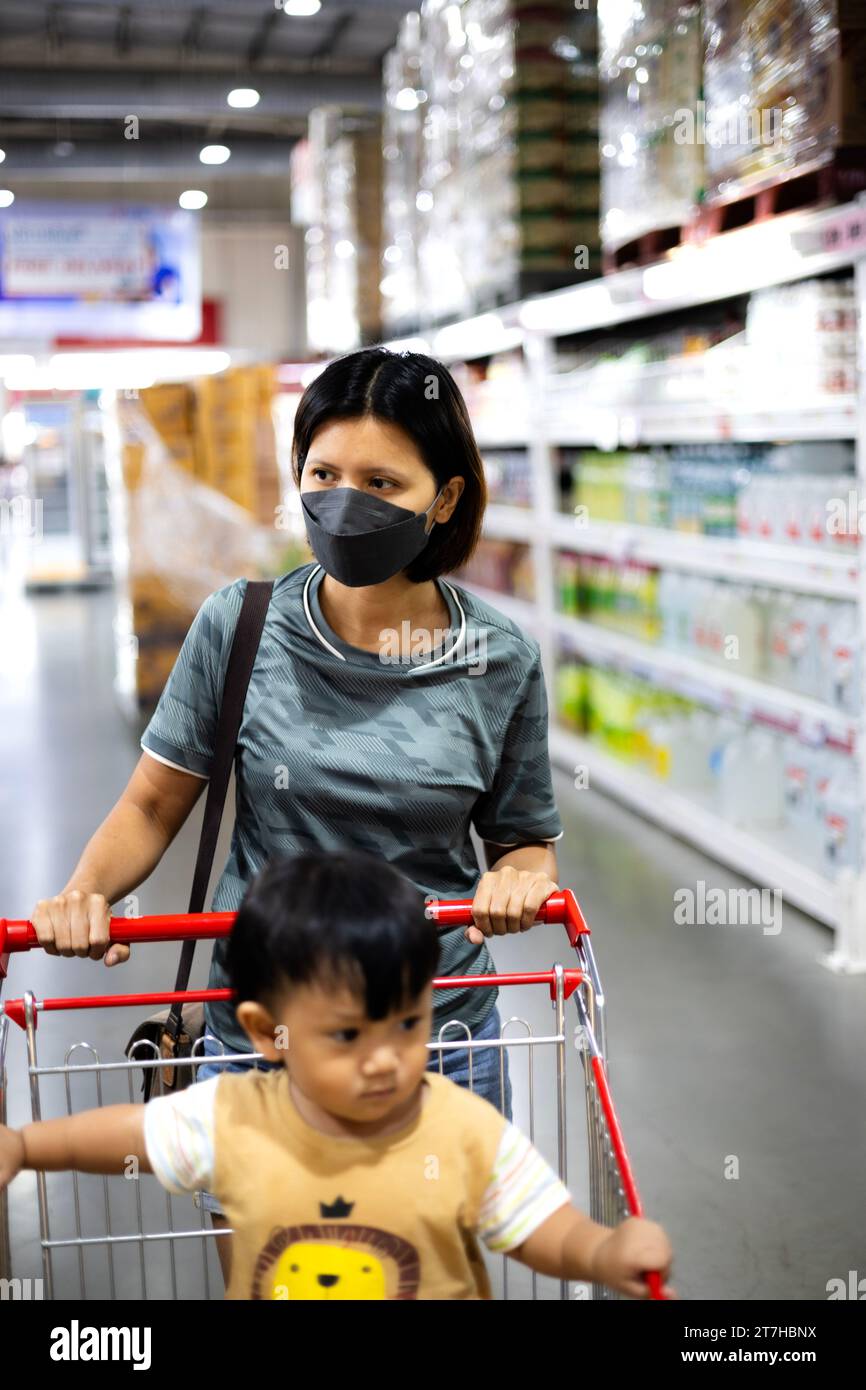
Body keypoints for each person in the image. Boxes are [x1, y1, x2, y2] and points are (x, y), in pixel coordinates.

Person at [28, 346, 564, 1274]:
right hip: (265, 1032)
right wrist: (85, 892)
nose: (343, 499)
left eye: (381, 480)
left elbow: (523, 845)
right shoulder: (239, 626)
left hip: (435, 1037)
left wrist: (517, 884)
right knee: (279, 1276)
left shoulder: (500, 660)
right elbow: (154, 804)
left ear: (443, 499)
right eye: (324, 474)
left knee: (430, 1277)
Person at [2, 852, 674, 1301]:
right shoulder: (236, 1116)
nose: (384, 1058)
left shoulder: (461, 1128)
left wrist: (602, 1251)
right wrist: (27, 1147)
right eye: (349, 1035)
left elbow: (541, 1228)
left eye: (407, 1024)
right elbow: (132, 1136)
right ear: (269, 1034)